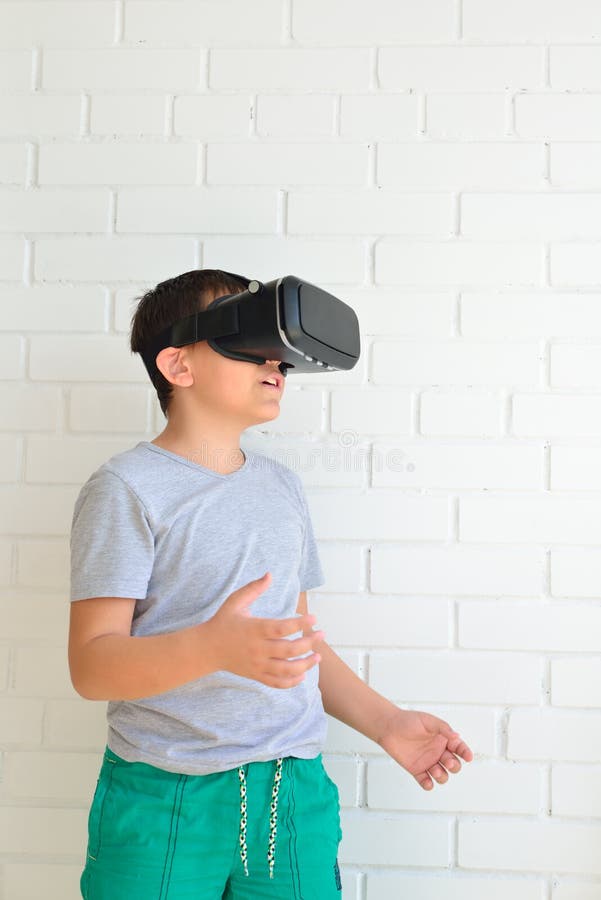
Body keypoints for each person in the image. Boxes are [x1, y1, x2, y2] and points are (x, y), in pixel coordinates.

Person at [68, 269, 473, 899]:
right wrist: (211, 646)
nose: (275, 364)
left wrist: (387, 722)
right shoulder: (126, 489)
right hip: (163, 798)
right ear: (178, 365)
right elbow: (92, 667)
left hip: (291, 794)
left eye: (279, 353)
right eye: (247, 344)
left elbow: (297, 644)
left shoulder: (282, 487)